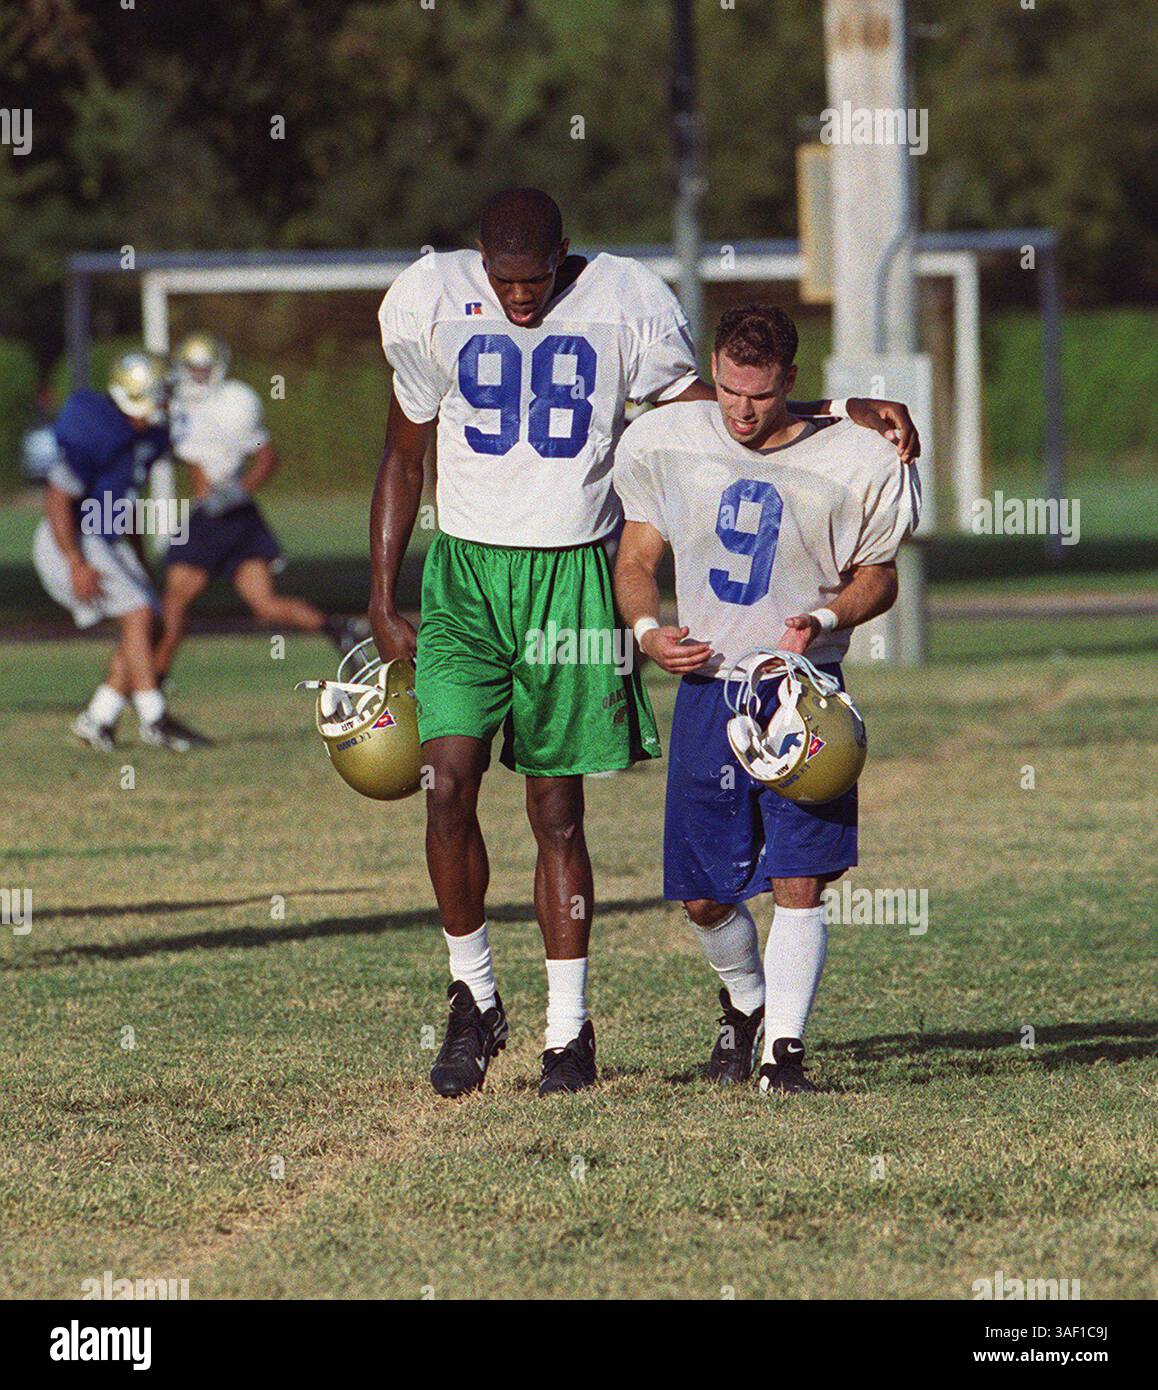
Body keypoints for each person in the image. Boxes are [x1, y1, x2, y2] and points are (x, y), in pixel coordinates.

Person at [370, 187, 921, 1099]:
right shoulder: (430, 298)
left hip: (572, 575)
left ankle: (567, 1033)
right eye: (504, 281)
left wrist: (837, 408)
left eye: (536, 280)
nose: (519, 299)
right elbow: (401, 454)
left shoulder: (623, 298)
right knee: (446, 786)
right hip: (465, 574)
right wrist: (383, 591)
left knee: (556, 812)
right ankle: (473, 992)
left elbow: (727, 410)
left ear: (566, 255)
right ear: (477, 258)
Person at [613, 303, 921, 1094]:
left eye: (758, 394)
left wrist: (822, 617)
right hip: (710, 689)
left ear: (790, 379)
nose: (740, 412)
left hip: (802, 690)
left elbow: (878, 575)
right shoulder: (667, 438)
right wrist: (647, 630)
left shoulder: (857, 456)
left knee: (799, 875)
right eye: (726, 391)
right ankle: (747, 1005)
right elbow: (636, 555)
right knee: (704, 895)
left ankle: (784, 1053)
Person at [153, 333, 365, 684]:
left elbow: (266, 456)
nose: (196, 376)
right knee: (265, 606)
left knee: (173, 604)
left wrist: (235, 490)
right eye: (191, 369)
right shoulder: (179, 405)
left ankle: (154, 683)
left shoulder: (231, 404)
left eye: (202, 369)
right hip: (238, 517)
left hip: (216, 516)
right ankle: (339, 629)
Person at [32, 351, 205, 752]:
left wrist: (140, 561)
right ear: (138, 394)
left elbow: (121, 504)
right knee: (138, 615)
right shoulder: (96, 426)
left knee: (150, 619)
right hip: (71, 538)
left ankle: (98, 719)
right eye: (160, 393)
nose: (167, 401)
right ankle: (154, 718)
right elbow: (57, 500)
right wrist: (75, 562)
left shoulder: (145, 435)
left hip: (104, 539)